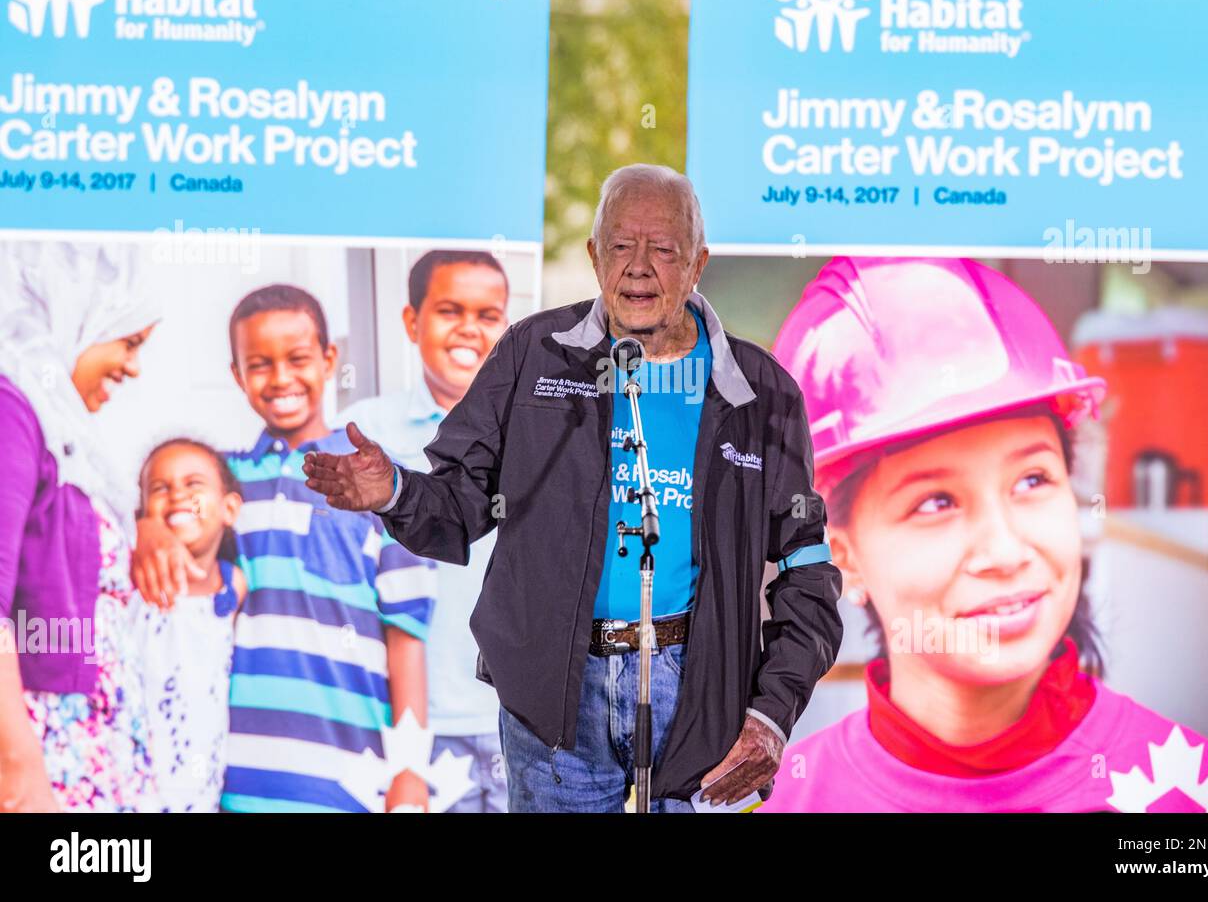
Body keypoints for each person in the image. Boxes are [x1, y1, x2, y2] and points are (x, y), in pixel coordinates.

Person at [303, 164, 843, 812]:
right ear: (593, 256)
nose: (638, 267)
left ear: (698, 261)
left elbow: (808, 571)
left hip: (701, 690)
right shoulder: (535, 355)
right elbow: (462, 500)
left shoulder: (760, 390)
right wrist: (394, 489)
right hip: (554, 694)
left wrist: (772, 715)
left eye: (663, 249)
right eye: (620, 246)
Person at [760, 255, 1208, 813]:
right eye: (936, 501)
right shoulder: (794, 800)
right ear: (840, 556)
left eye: (1033, 479)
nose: (1005, 551)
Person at [133, 284, 436, 812]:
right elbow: (168, 540)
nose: (280, 378)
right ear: (237, 375)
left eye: (297, 359)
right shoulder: (222, 486)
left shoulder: (378, 482)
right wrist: (147, 528)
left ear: (328, 359)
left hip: (347, 785)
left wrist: (410, 770)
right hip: (231, 780)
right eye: (259, 364)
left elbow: (406, 636)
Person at [338, 250, 510, 812]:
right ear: (412, 321)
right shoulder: (367, 432)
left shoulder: (532, 433)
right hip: (412, 727)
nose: (469, 328)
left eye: (488, 315)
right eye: (449, 310)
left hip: (517, 717)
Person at [0, 241, 161, 812]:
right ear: (79, 313)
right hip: (44, 752)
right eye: (130, 341)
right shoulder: (10, 412)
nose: (135, 366)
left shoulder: (58, 429)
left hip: (88, 743)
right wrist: (20, 776)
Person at [130, 438, 247, 812]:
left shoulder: (233, 585)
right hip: (133, 786)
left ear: (229, 508)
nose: (177, 495)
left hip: (203, 791)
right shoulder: (131, 578)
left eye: (193, 485)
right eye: (159, 488)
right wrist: (142, 531)